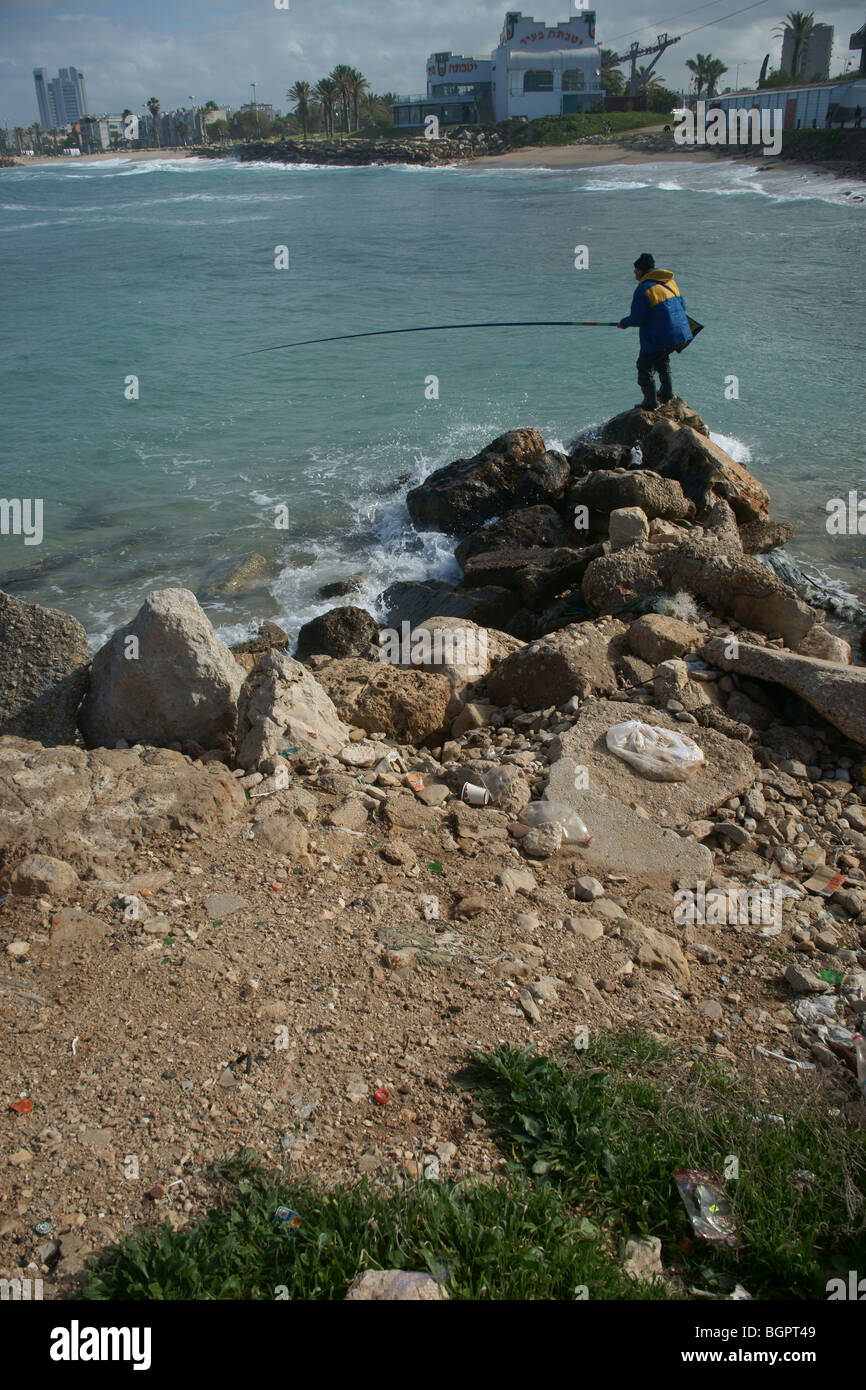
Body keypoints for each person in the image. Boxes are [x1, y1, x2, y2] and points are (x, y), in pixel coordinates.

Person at [618, 252, 692, 410]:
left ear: (641, 270)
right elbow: (683, 306)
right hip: (681, 334)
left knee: (644, 365)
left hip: (662, 336)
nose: (634, 272)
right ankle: (666, 392)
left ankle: (650, 402)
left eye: (635, 270)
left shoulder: (643, 289)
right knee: (661, 358)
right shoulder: (670, 283)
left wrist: (624, 323)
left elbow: (638, 318)